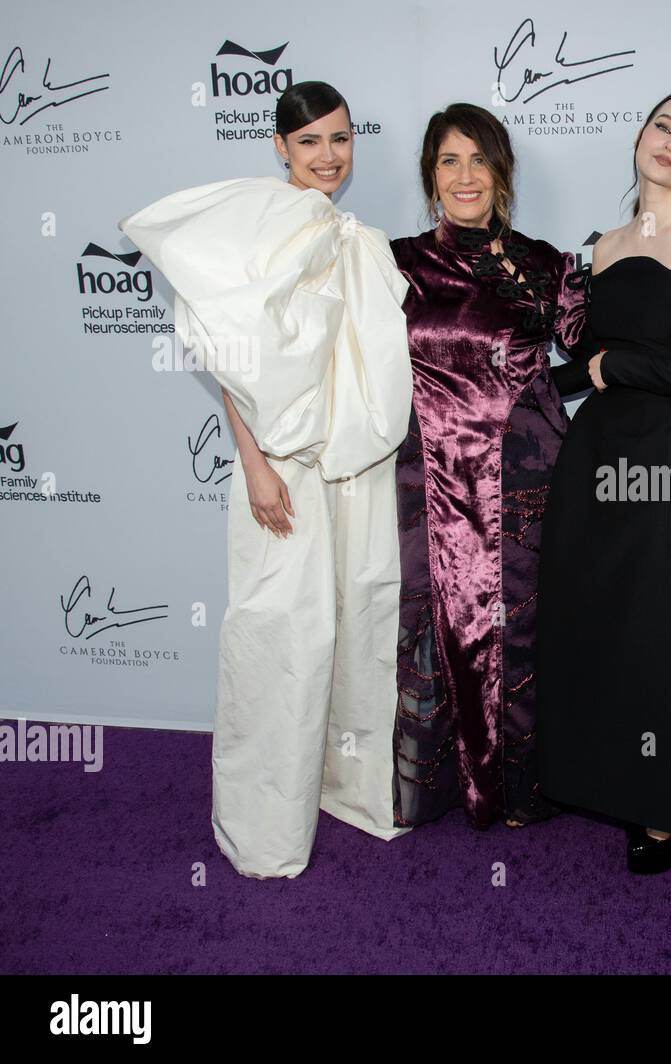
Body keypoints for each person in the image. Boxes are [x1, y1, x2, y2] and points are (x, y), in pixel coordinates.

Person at [121, 81, 413, 878]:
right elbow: (231, 357)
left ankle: (343, 791)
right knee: (282, 635)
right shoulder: (258, 223)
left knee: (358, 624)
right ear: (280, 148)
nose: (328, 155)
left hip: (359, 467)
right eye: (310, 140)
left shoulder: (362, 236)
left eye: (341, 139)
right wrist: (253, 465)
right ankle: (265, 829)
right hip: (280, 469)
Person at [537, 90, 671, 874]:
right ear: (639, 131)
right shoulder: (602, 246)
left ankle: (669, 808)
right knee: (607, 627)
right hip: (598, 454)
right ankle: (613, 782)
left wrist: (618, 366)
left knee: (664, 635)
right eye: (663, 125)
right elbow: (585, 362)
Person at [389, 103, 588, 831]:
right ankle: (448, 788)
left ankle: (524, 789)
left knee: (522, 636)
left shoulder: (542, 263)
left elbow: (594, 353)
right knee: (434, 630)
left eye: (479, 159)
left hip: (525, 479)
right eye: (449, 160)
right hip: (429, 482)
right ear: (430, 176)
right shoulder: (397, 263)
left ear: (502, 172)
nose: (465, 176)